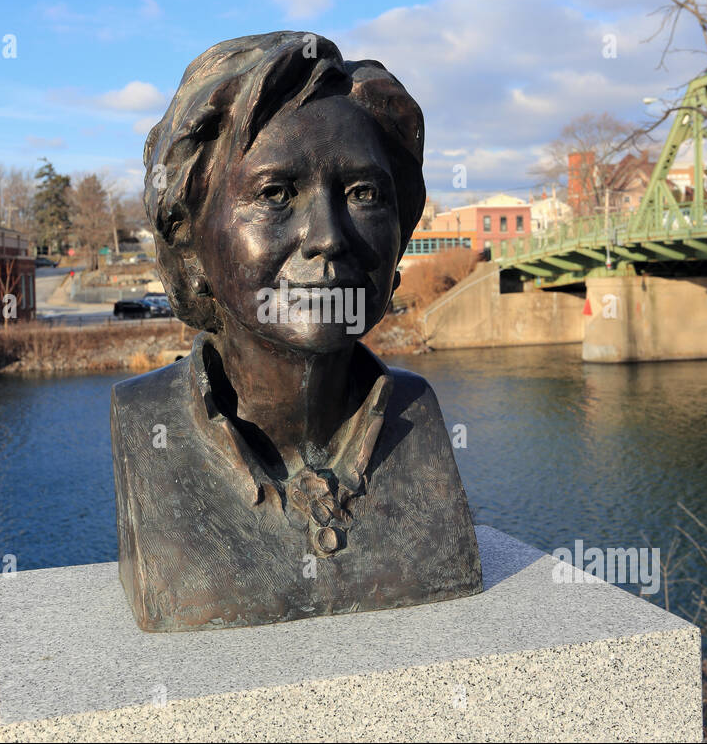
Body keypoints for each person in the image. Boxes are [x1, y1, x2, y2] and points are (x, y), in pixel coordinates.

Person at [109, 32, 482, 632]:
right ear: (190, 237)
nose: (329, 237)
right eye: (276, 194)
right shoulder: (143, 419)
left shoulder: (419, 417)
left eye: (364, 193)